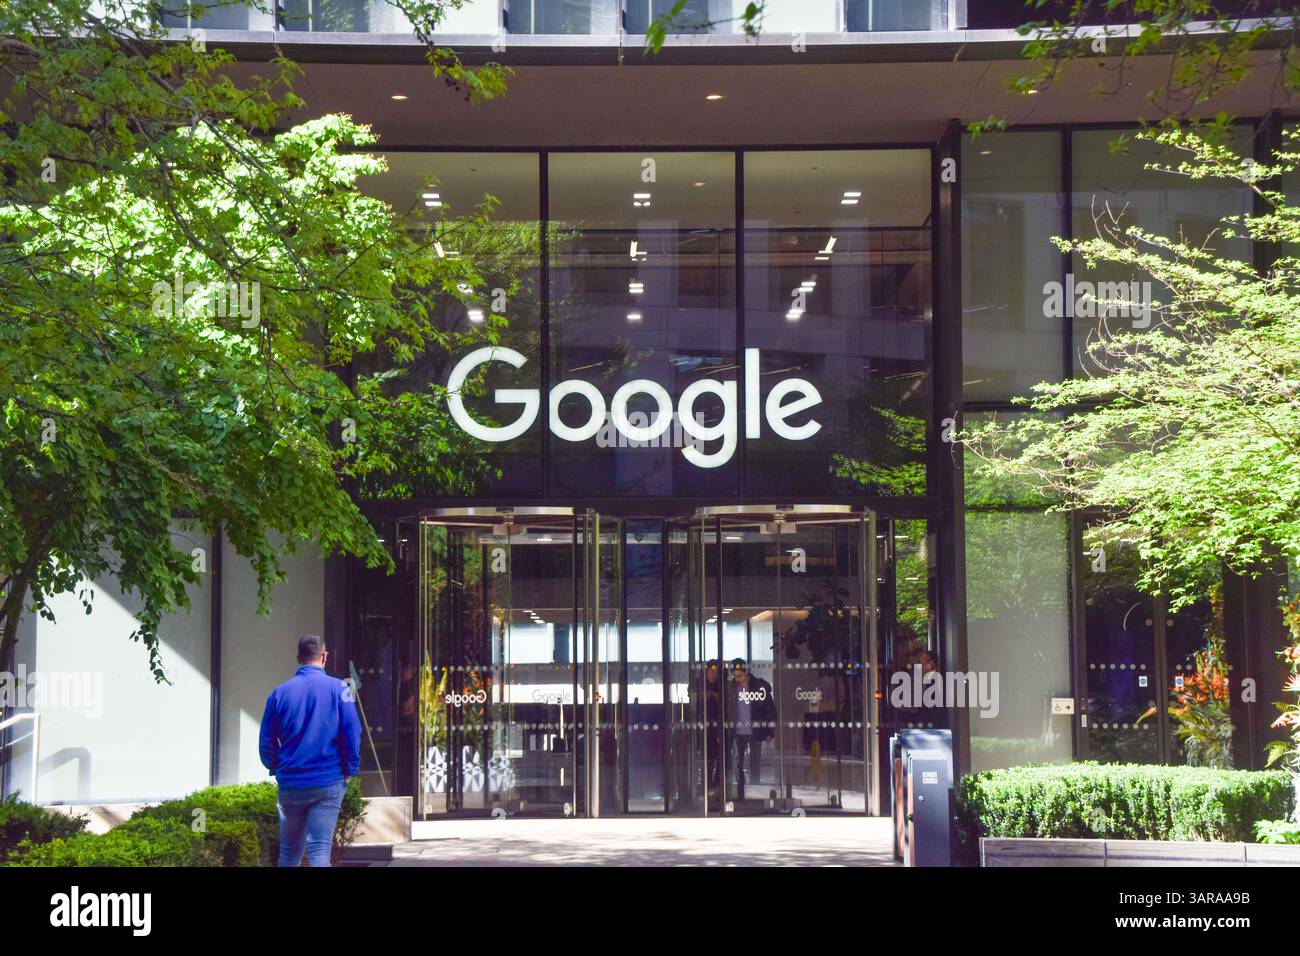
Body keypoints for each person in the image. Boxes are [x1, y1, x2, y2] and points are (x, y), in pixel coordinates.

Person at [259, 634, 361, 867]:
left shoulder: (278, 694)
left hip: (291, 783)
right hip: (327, 781)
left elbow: (266, 742)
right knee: (319, 852)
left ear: (298, 658)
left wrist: (276, 767)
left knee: (288, 855)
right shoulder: (341, 689)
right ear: (324, 656)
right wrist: (350, 770)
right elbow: (352, 732)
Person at [727, 658, 776, 801]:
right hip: (738, 732)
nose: (738, 679)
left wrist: (770, 730)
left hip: (755, 731)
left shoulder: (759, 686)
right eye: (735, 676)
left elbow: (770, 709)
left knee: (755, 762)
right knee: (737, 763)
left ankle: (755, 792)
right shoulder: (731, 688)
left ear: (746, 672)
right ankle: (741, 793)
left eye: (740, 676)